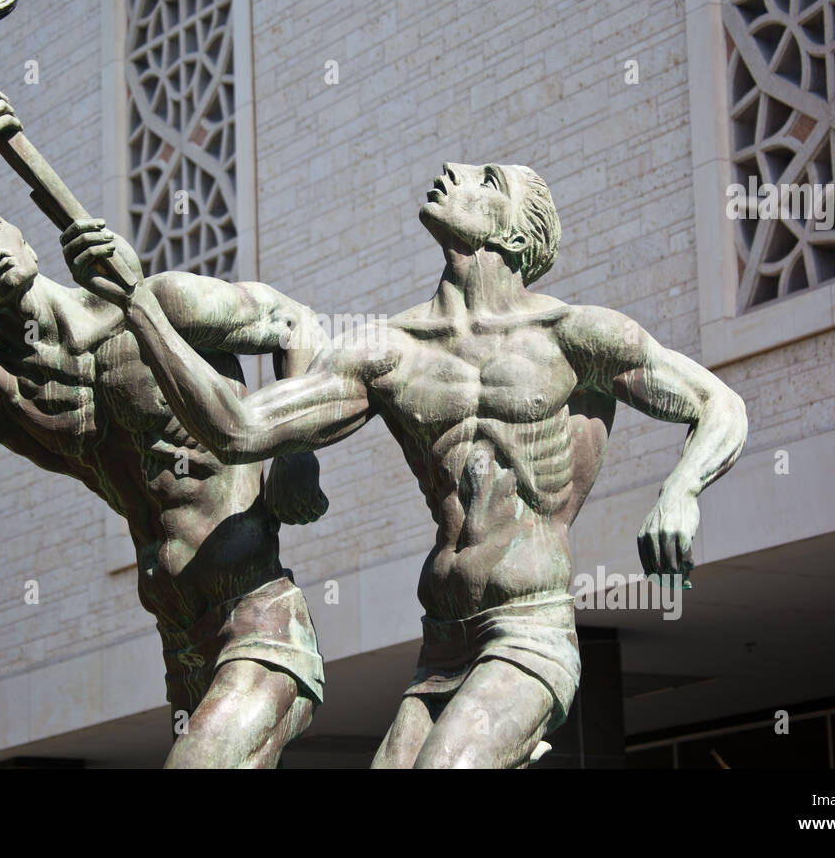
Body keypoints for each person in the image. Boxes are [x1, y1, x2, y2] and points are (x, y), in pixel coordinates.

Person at [70, 159, 748, 768]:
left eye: (487, 180)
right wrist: (140, 306)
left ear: (514, 236)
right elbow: (243, 429)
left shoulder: (574, 335)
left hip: (529, 629)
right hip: (443, 644)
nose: (454, 169)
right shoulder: (387, 350)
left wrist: (681, 492)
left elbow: (718, 404)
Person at [0, 77, 331, 767]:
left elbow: (293, 322)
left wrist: (294, 449)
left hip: (259, 617)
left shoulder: (158, 305)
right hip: (182, 645)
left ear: (22, 233)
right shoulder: (3, 395)